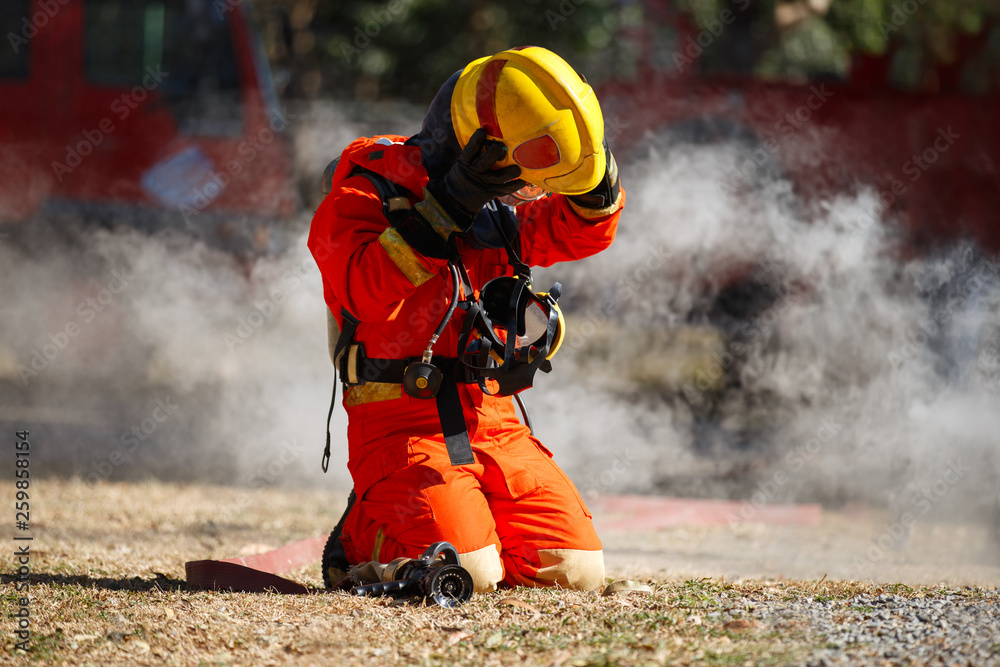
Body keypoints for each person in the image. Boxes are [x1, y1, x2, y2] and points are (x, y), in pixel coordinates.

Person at [308, 46, 624, 593]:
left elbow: (581, 229)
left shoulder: (499, 206)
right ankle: (360, 534)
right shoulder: (365, 191)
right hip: (401, 421)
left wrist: (591, 175)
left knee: (576, 571)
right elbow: (364, 290)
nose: (530, 194)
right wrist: (447, 207)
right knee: (469, 571)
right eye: (524, 179)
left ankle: (463, 521)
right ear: (476, 149)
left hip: (493, 419)